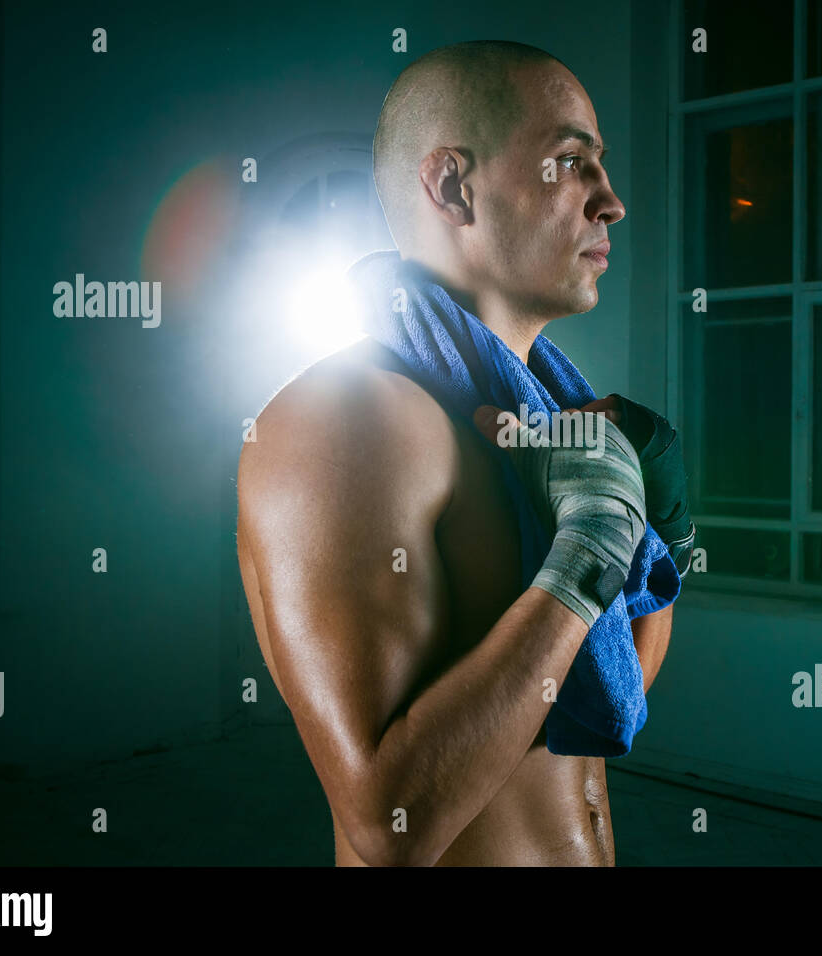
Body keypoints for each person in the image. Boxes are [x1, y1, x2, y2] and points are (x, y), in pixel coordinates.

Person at [235, 40, 691, 866]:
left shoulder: (549, 421)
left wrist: (663, 528)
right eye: (571, 161)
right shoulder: (349, 421)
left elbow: (599, 701)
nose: (612, 202)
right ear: (452, 185)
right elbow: (388, 823)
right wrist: (587, 551)